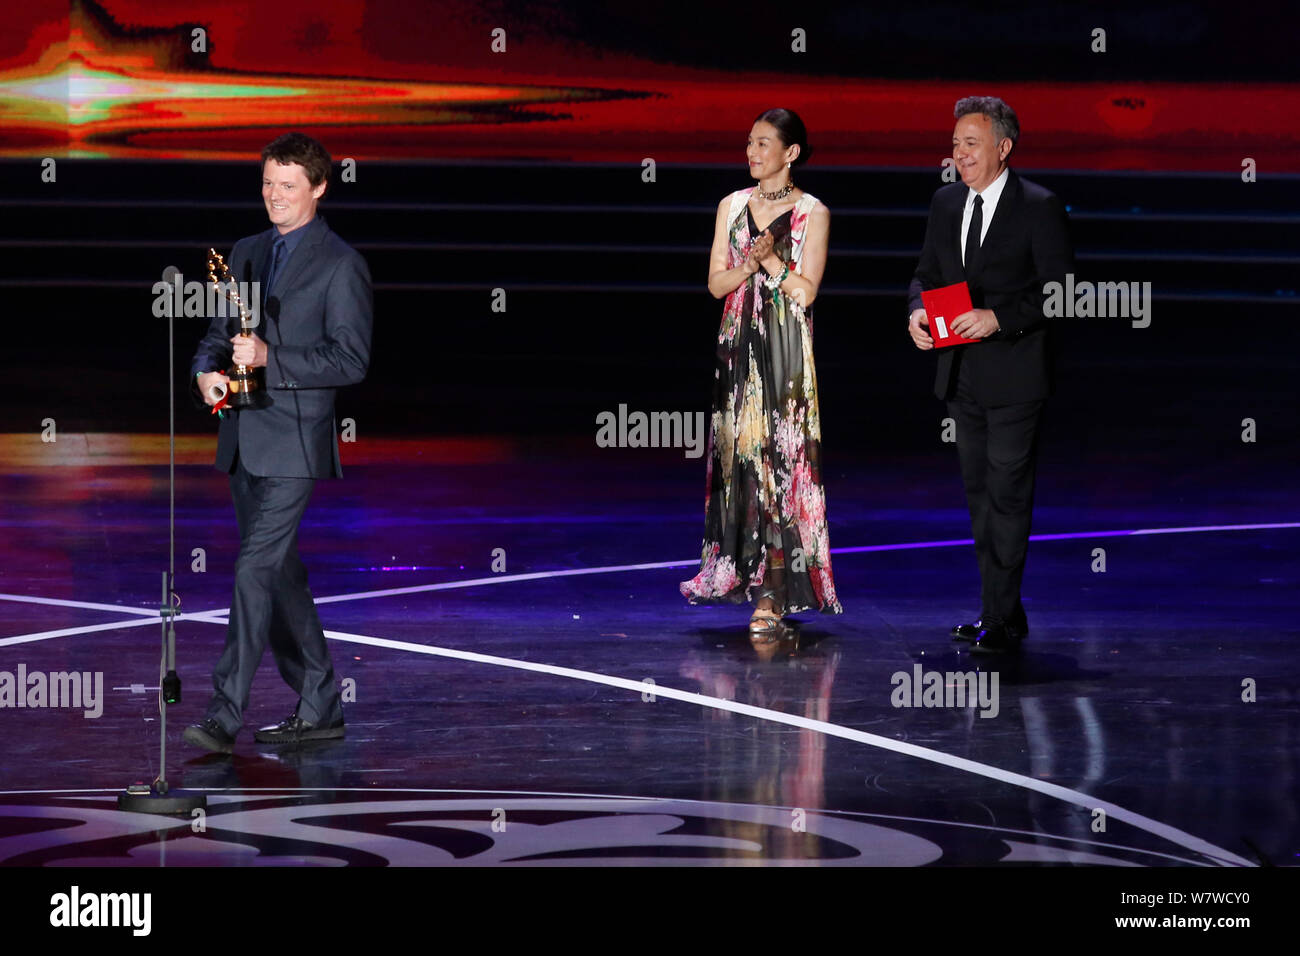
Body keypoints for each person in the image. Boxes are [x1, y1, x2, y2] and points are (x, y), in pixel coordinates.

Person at [183, 132, 373, 752]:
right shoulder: (245, 251)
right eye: (267, 183)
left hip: (294, 441)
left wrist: (271, 357)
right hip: (244, 437)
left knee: (253, 569)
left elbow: (350, 359)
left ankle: (223, 712)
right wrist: (206, 372)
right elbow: (217, 332)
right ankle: (321, 700)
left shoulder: (342, 264)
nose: (274, 196)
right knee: (280, 576)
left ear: (318, 188)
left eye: (287, 186)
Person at [906, 96, 1073, 654]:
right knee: (979, 495)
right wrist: (916, 313)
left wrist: (998, 318)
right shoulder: (945, 202)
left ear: (1003, 147)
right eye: (955, 144)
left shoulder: (1038, 206)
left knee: (1007, 495)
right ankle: (999, 611)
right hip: (960, 375)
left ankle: (1000, 616)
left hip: (1016, 377)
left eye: (970, 144)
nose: (958, 155)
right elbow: (925, 274)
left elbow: (1060, 293)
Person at [681, 108, 841, 635]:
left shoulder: (812, 211)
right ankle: (742, 573)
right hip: (737, 344)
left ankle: (777, 589)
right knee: (741, 462)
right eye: (749, 142)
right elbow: (715, 285)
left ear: (790, 153)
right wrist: (748, 264)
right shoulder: (731, 205)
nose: (752, 152)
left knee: (780, 463)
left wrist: (773, 264)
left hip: (785, 350)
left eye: (764, 144)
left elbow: (806, 290)